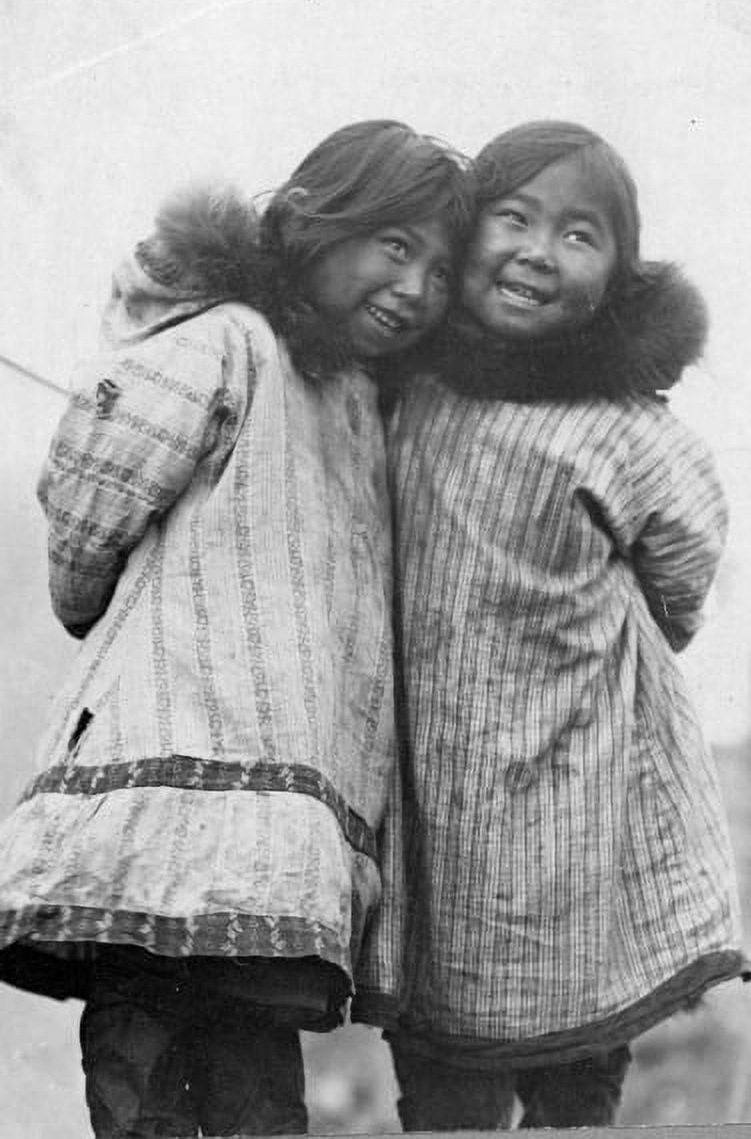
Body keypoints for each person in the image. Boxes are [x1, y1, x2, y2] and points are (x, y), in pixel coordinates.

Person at [0, 119, 473, 1137]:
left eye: (438, 269)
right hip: (170, 772)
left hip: (272, 840)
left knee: (255, 1080)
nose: (415, 285)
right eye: (395, 244)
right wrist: (87, 596)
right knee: (144, 1058)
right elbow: (98, 473)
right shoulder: (233, 340)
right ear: (314, 220)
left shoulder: (355, 409)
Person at [352, 120, 751, 1129]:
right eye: (513, 217)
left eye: (578, 235)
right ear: (466, 227)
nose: (537, 251)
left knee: (576, 1083)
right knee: (444, 1090)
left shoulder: (620, 426)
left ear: (616, 273)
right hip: (439, 809)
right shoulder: (409, 390)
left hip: (579, 800)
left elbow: (682, 571)